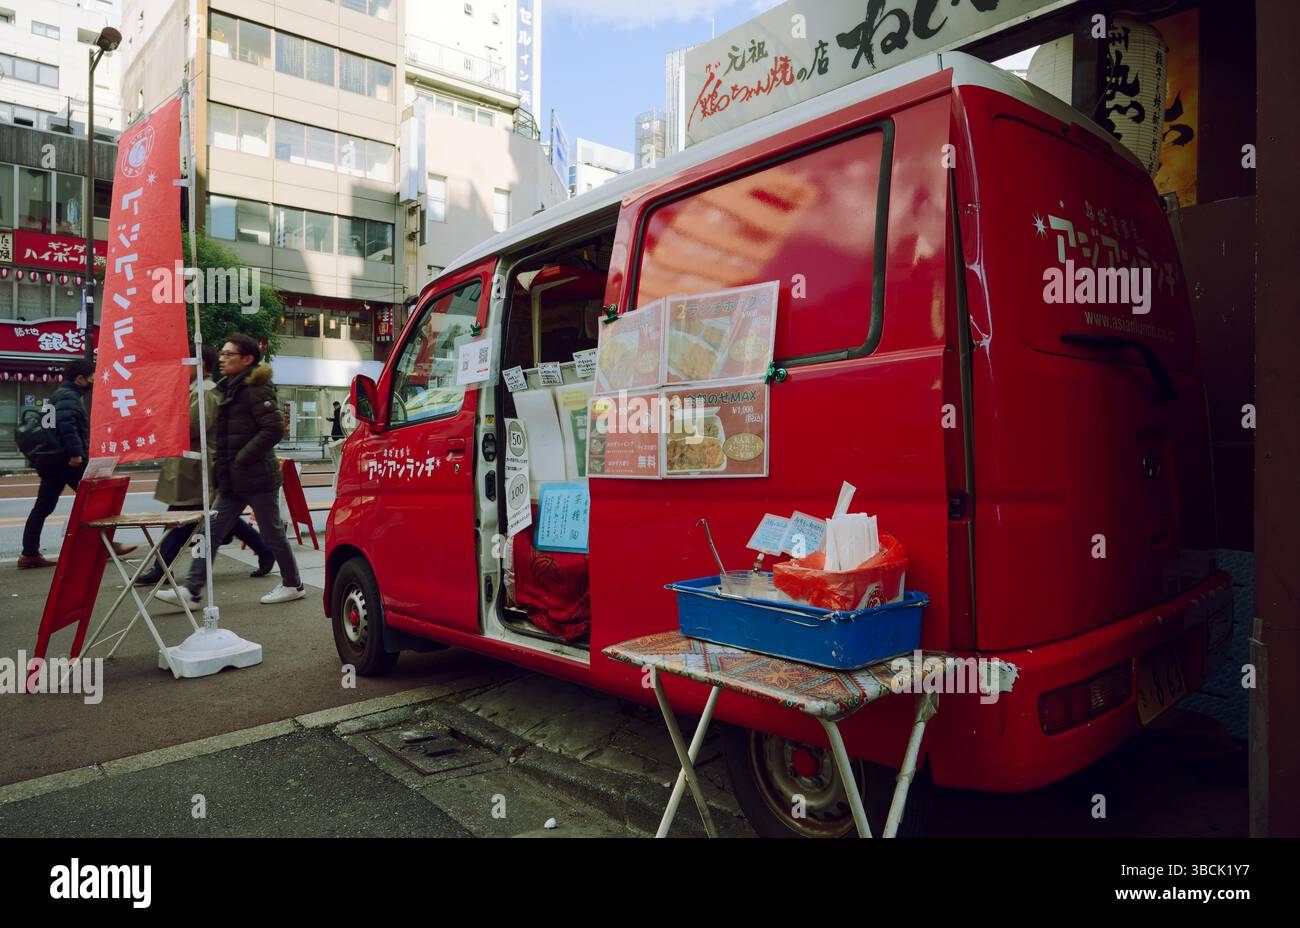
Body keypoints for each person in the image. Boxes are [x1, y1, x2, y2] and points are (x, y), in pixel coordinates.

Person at [158, 335, 305, 607]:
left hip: (257, 477)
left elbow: (273, 429)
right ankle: (192, 590)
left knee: (272, 533)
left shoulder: (256, 389)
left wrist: (241, 458)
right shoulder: (229, 388)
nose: (222, 359)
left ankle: (293, 583)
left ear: (247, 359)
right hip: (232, 479)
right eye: (222, 354)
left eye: (229, 354)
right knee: (209, 533)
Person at [136, 346, 276, 586]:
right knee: (218, 518)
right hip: (192, 467)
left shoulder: (206, 392)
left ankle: (164, 571)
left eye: (187, 362)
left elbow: (192, 427)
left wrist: (167, 417)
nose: (182, 367)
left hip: (198, 469)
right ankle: (264, 550)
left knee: (182, 518)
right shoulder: (198, 390)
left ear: (202, 365)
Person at [20, 359, 136, 569]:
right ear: (80, 378)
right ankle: (104, 546)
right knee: (96, 498)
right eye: (91, 377)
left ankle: (29, 554)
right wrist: (76, 454)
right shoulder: (69, 398)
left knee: (44, 506)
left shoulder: (61, 395)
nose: (94, 381)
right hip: (67, 461)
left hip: (54, 461)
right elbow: (67, 426)